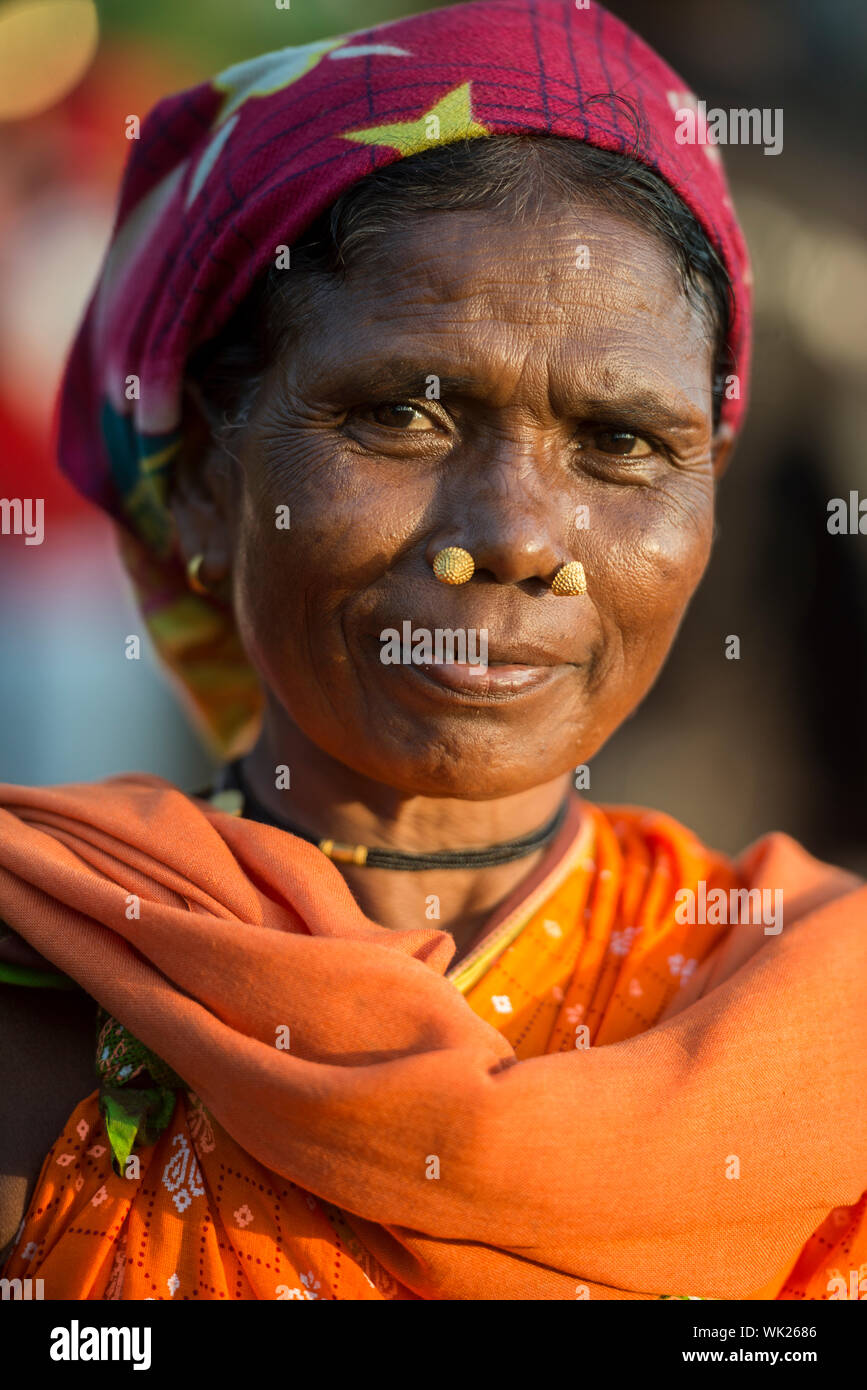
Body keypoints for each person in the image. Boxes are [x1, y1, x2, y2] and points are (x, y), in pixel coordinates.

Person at [0, 0, 864, 1302]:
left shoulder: (819, 1015)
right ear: (201, 483)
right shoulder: (37, 1005)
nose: (516, 534)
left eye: (622, 441)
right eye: (400, 412)